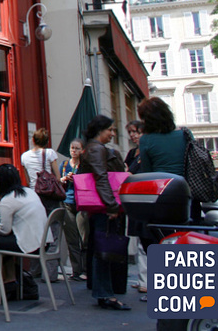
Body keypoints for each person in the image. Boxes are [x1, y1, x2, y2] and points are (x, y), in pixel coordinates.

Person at [79, 114, 131, 311]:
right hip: (103, 208)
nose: (112, 133)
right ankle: (105, 294)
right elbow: (101, 177)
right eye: (109, 129)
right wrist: (111, 206)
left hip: (101, 206)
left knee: (102, 249)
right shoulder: (96, 149)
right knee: (103, 250)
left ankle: (104, 293)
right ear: (100, 130)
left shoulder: (93, 148)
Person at [136, 97, 194, 220]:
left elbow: (147, 173)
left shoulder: (145, 140)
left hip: (161, 194)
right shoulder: (185, 134)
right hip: (188, 192)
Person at [0, 163, 48, 296]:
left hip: (29, 244)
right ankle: (10, 281)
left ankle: (7, 282)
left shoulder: (8, 199)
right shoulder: (30, 192)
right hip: (44, 242)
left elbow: (4, 230)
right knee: (3, 245)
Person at [20, 128, 62, 279]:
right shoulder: (50, 153)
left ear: (33, 140)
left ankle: (34, 269)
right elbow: (57, 177)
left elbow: (27, 179)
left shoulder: (24, 156)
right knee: (54, 232)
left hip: (34, 196)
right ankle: (49, 274)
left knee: (36, 233)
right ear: (47, 141)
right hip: (49, 196)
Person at [60, 138, 88, 281]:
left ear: (82, 150)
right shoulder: (64, 164)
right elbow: (58, 180)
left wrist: (77, 179)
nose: (74, 151)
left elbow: (89, 181)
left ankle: (85, 269)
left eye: (77, 148)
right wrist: (64, 179)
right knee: (72, 239)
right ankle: (76, 270)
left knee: (84, 238)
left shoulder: (84, 165)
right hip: (67, 202)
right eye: (72, 148)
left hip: (82, 203)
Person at [124, 120, 146, 298]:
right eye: (130, 132)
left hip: (145, 199)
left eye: (136, 132)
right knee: (139, 239)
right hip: (134, 200)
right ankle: (143, 279)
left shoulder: (147, 152)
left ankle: (146, 281)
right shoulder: (132, 153)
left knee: (144, 241)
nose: (133, 135)